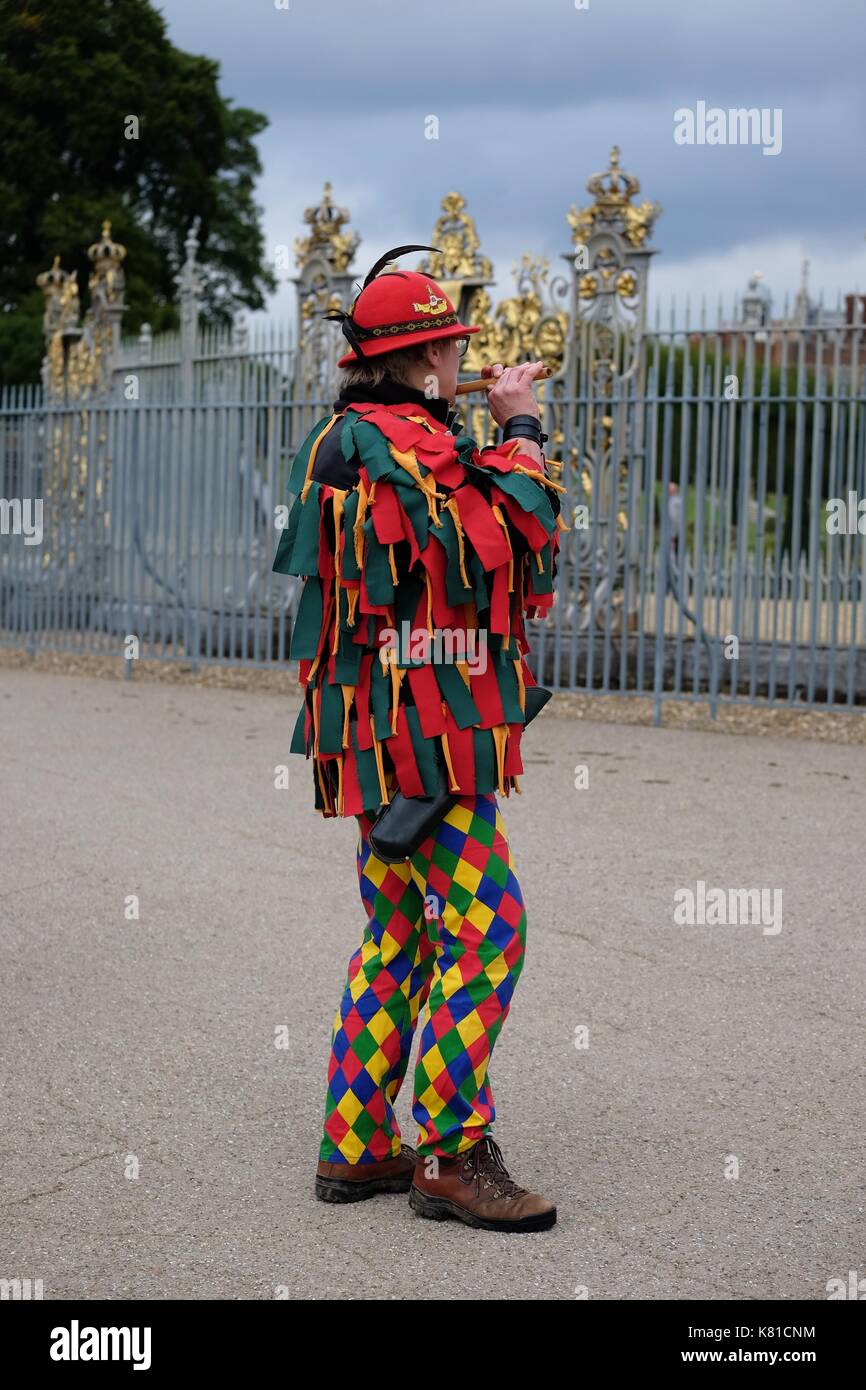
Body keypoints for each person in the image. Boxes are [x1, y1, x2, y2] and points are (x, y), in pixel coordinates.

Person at [273, 245, 567, 1233]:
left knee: (398, 933)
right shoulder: (403, 439)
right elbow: (514, 534)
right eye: (451, 350)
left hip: (375, 735)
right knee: (487, 931)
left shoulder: (351, 434)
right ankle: (447, 1148)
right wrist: (520, 422)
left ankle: (356, 1145)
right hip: (426, 742)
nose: (461, 366)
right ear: (424, 359)